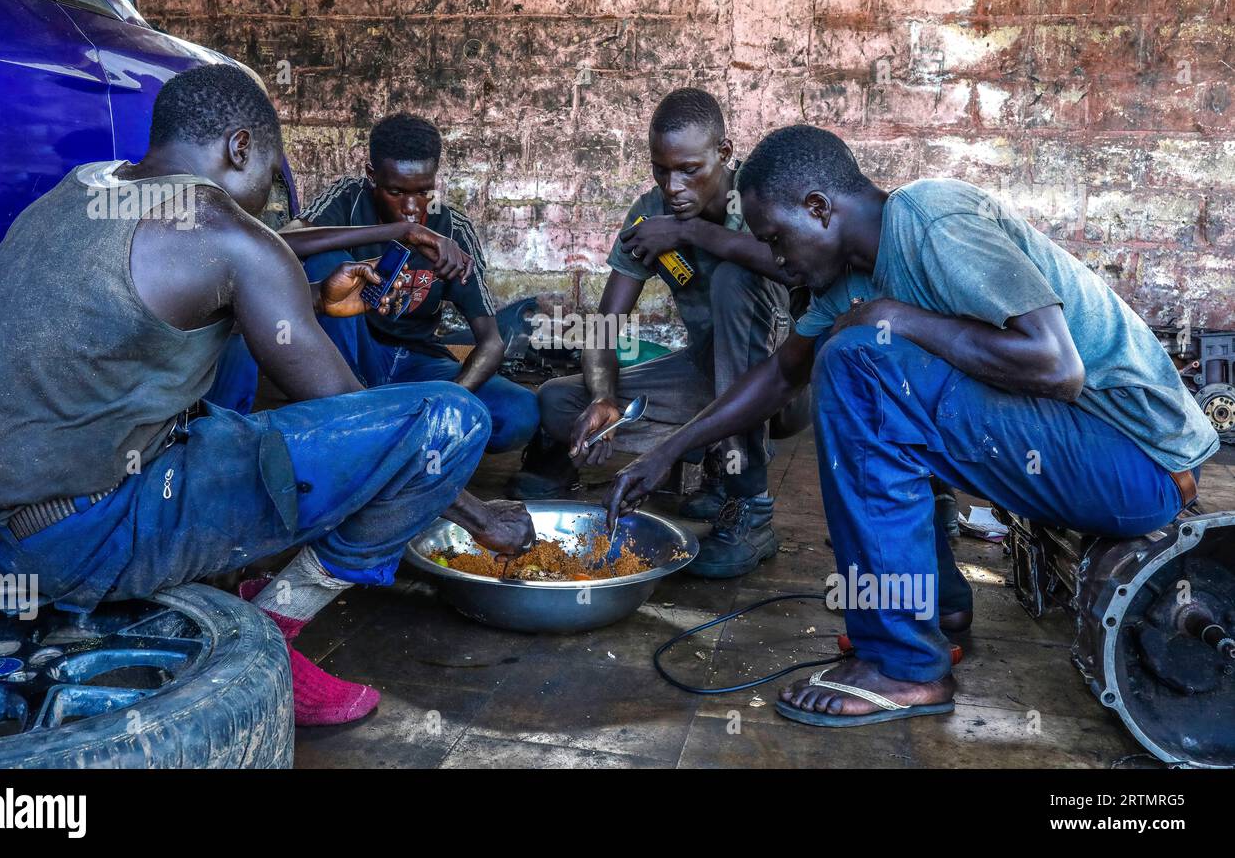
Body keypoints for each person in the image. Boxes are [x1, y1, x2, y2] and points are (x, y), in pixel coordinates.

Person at [0, 65, 534, 727]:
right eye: (271, 178)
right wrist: (482, 520)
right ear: (241, 148)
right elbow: (363, 419)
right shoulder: (226, 235)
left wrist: (311, 292)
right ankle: (273, 634)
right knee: (449, 419)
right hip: (85, 543)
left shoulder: (79, 190)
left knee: (220, 396)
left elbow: (240, 260)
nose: (268, 201)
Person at [605, 124, 1217, 727]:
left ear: (818, 209)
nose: (778, 260)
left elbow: (1056, 367)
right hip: (1091, 456)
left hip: (1141, 465)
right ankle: (938, 608)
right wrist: (668, 450)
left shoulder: (933, 219)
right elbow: (781, 375)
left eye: (777, 239)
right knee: (861, 362)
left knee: (858, 363)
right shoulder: (846, 282)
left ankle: (902, 665)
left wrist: (897, 316)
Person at [508, 88, 797, 579]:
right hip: (706, 372)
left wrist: (689, 233)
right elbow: (603, 326)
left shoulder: (760, 195)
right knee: (560, 402)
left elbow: (794, 270)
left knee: (734, 279)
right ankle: (713, 455)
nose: (673, 185)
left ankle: (751, 507)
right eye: (661, 169)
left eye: (689, 169)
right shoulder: (648, 214)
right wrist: (602, 398)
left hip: (784, 381)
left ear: (723, 154)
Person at [234, 113, 538, 454]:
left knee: (519, 413)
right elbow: (277, 244)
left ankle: (383, 429)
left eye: (423, 192)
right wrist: (398, 232)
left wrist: (449, 402)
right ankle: (353, 414)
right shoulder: (348, 197)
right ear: (371, 176)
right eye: (395, 192)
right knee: (326, 264)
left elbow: (492, 343)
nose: (411, 207)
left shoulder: (453, 231)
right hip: (350, 359)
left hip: (418, 366)